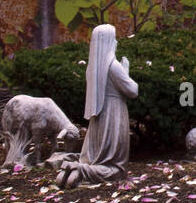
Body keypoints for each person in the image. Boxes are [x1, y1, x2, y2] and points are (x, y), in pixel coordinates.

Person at [56, 23, 138, 188]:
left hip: (98, 116)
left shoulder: (93, 68)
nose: (116, 42)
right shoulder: (113, 66)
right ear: (108, 41)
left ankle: (75, 169)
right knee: (116, 168)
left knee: (98, 157)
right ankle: (80, 170)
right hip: (113, 114)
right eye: (113, 39)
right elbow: (133, 90)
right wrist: (126, 71)